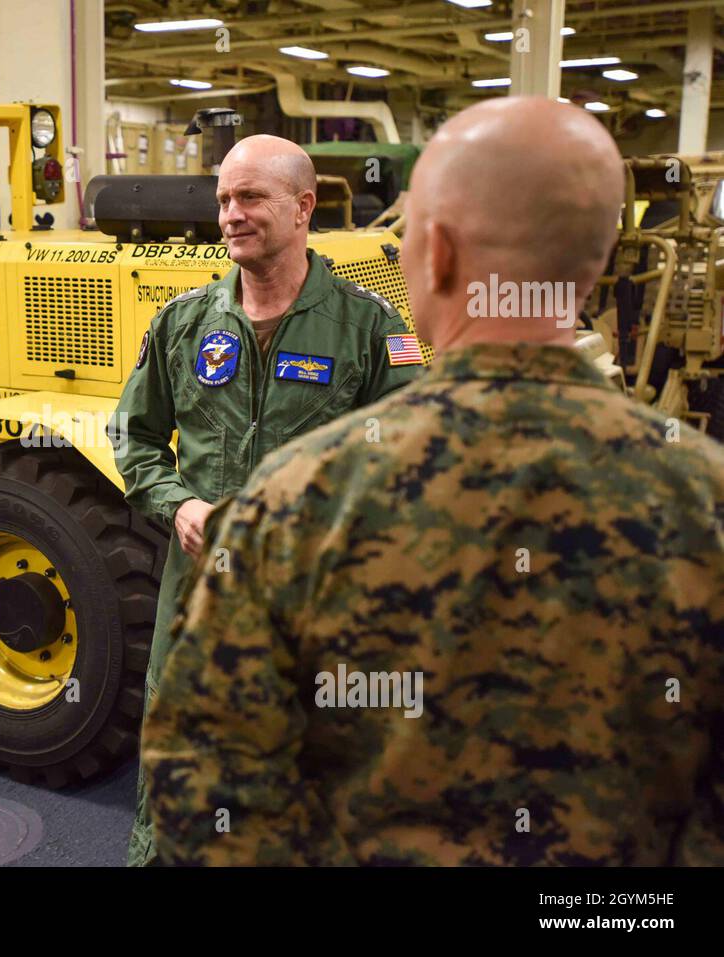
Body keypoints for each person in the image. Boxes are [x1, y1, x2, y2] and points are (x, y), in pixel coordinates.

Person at [143, 96, 724, 866]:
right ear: (597, 261)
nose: (231, 213)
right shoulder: (704, 502)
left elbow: (206, 799)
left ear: (437, 254)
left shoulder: (296, 502)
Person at [108, 134, 425, 866]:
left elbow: (406, 467)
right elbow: (135, 434)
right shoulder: (184, 323)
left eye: (250, 197)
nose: (231, 214)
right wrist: (181, 505)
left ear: (302, 206)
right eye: (224, 199)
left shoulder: (369, 327)